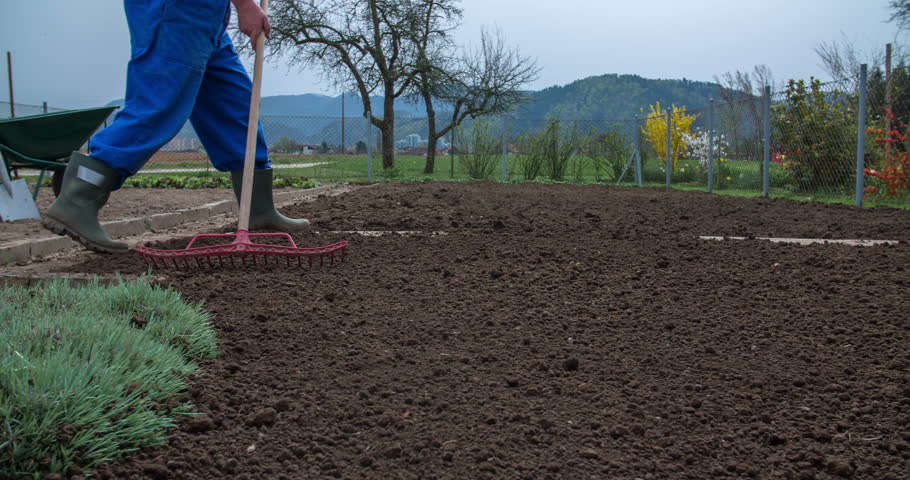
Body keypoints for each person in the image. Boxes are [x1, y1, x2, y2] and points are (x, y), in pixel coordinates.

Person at [43, 0, 308, 253]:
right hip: (178, 10)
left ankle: (258, 210)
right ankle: (80, 197)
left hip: (209, 15)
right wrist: (244, 4)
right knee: (160, 102)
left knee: (234, 107)